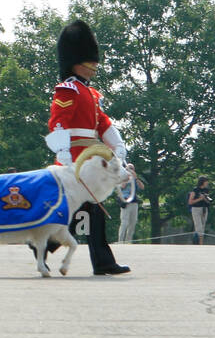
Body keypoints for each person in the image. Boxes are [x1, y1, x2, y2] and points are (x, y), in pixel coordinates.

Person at [46, 20, 131, 275]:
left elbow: (102, 123)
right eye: (90, 61)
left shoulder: (90, 93)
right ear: (76, 61)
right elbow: (58, 123)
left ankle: (51, 245)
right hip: (74, 158)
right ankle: (49, 245)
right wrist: (62, 154)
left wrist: (118, 144)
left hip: (90, 158)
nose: (95, 66)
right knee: (83, 209)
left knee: (87, 209)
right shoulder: (68, 89)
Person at [116, 162, 145, 244]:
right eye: (128, 168)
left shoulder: (135, 179)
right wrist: (126, 177)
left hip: (134, 202)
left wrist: (135, 178)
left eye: (132, 168)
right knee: (124, 223)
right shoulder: (122, 178)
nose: (130, 170)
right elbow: (122, 186)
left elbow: (142, 187)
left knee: (133, 222)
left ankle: (128, 241)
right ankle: (120, 241)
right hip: (126, 201)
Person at [188, 176, 213, 245]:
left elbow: (208, 202)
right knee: (198, 226)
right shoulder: (195, 190)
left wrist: (205, 198)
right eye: (206, 181)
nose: (207, 183)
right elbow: (190, 202)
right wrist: (200, 198)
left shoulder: (206, 190)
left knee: (203, 226)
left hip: (204, 209)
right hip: (196, 209)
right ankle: (200, 243)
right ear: (202, 182)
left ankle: (198, 242)